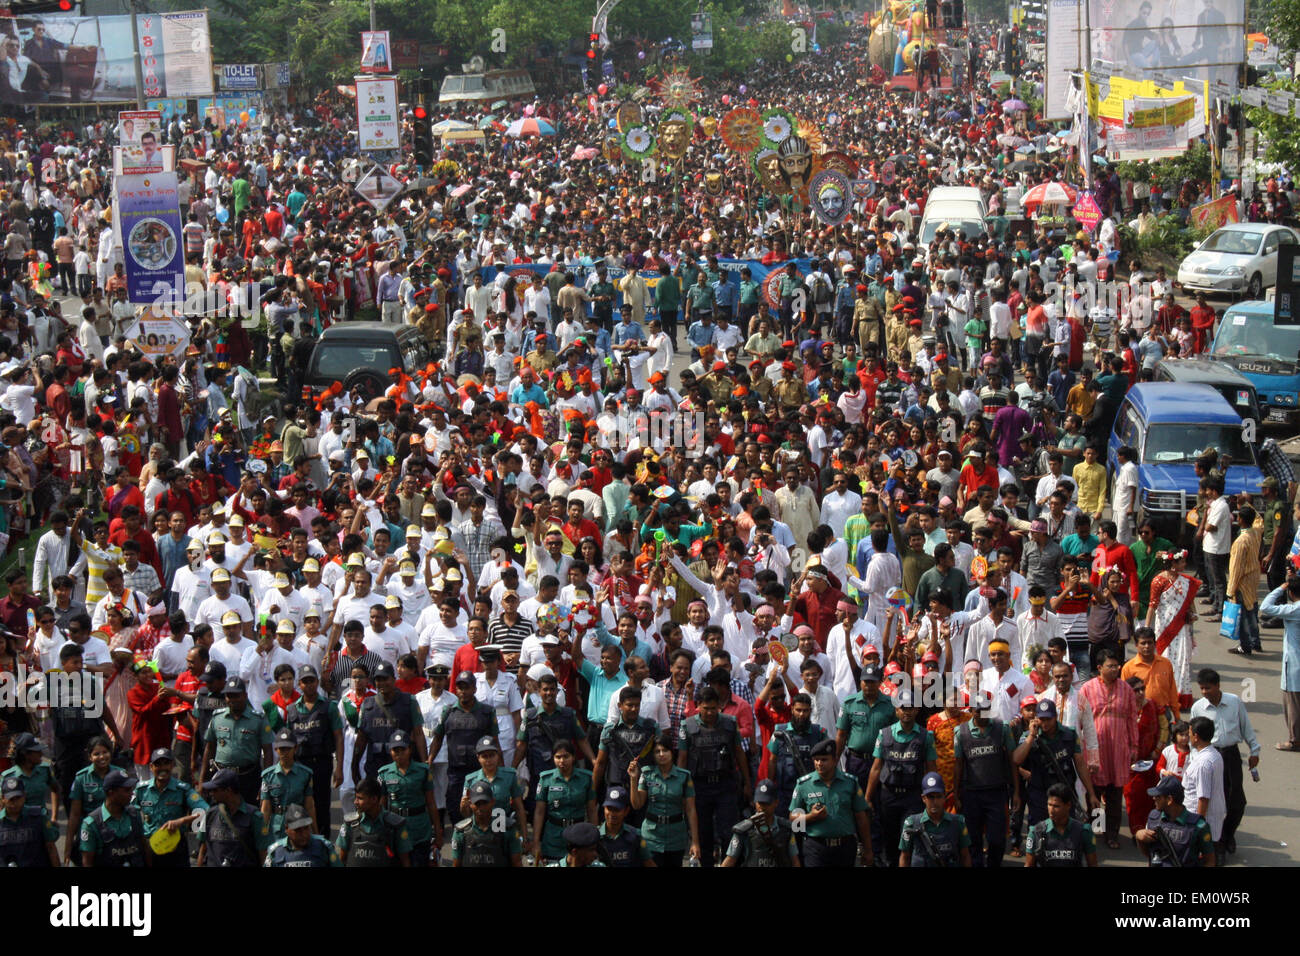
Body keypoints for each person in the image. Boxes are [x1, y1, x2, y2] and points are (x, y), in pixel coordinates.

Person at [677, 685, 749, 866]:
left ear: (719, 706)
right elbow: (682, 758)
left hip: (725, 785)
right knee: (703, 834)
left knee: (729, 832)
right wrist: (680, 788)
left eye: (713, 708)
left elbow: (739, 753)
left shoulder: (730, 724)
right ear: (698, 705)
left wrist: (747, 782)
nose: (709, 712)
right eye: (705, 708)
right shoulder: (687, 726)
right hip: (699, 787)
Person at [1189, 670, 1257, 858]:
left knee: (1237, 803)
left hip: (1231, 755)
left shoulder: (1234, 702)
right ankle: (1215, 843)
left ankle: (1227, 835)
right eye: (1201, 688)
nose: (1204, 692)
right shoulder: (1198, 708)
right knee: (1214, 804)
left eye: (1208, 688)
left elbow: (1246, 727)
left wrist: (1255, 750)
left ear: (1218, 686)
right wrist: (1196, 761)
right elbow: (1192, 739)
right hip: (1209, 756)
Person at [1079, 649, 1139, 849]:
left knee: (1115, 794)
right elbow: (1079, 721)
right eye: (1110, 666)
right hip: (1094, 751)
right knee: (1094, 792)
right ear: (1099, 668)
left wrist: (1133, 746)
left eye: (1116, 666)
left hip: (1118, 750)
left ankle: (1111, 834)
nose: (1115, 669)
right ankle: (1096, 830)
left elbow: (1132, 719)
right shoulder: (1087, 689)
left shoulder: (1126, 690)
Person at [952, 695, 1018, 867]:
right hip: (971, 794)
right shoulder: (960, 732)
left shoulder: (1002, 728)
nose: (982, 714)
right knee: (973, 841)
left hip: (997, 792)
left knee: (997, 839)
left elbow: (1012, 761)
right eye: (978, 710)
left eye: (986, 710)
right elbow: (958, 765)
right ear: (972, 711)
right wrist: (956, 794)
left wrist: (1016, 791)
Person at [789, 737, 873, 868]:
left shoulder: (850, 783)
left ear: (834, 760)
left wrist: (868, 850)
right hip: (816, 848)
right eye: (816, 760)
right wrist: (811, 817)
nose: (819, 763)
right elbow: (793, 820)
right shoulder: (803, 785)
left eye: (824, 759)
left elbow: (861, 818)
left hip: (845, 847)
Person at [630, 732, 700, 867]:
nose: (661, 754)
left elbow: (691, 810)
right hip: (651, 836)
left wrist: (695, 842)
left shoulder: (684, 776)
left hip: (676, 836)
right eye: (657, 751)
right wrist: (633, 779)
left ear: (672, 752)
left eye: (665, 750)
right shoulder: (646, 773)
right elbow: (637, 804)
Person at [375, 729, 441, 867]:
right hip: (395, 827)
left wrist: (438, 831)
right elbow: (381, 805)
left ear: (410, 749)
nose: (398, 753)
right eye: (395, 750)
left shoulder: (423, 771)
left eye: (402, 749)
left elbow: (431, 803)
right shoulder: (384, 773)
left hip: (419, 829)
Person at [132, 748, 206, 868]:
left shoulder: (183, 789)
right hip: (150, 847)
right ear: (151, 767)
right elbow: (129, 812)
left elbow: (205, 811)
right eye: (158, 764)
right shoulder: (141, 790)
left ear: (172, 765)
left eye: (166, 763)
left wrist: (182, 821)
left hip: (176, 848)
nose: (163, 768)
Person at [1145, 549, 1199, 711]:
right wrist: (1147, 629)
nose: (1185, 564)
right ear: (1173, 564)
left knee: (1182, 660)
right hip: (1164, 628)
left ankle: (1180, 695)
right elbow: (1152, 606)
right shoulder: (1158, 581)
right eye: (1181, 561)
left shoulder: (1187, 581)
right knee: (1165, 660)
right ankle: (1163, 695)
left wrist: (1193, 615)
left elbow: (1190, 602)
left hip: (1182, 627)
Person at [531, 740, 596, 864]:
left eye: (566, 756)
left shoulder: (586, 778)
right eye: (558, 757)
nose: (562, 761)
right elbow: (539, 812)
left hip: (578, 836)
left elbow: (592, 810)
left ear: (573, 757)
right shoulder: (546, 779)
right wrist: (535, 841)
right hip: (553, 837)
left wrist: (594, 839)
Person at [1135, 771, 1215, 867]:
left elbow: (1210, 861)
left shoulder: (1199, 825)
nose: (1153, 798)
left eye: (1158, 796)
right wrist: (1139, 837)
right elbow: (1150, 855)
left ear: (1169, 800)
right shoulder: (1154, 817)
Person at [196, 768, 271, 867]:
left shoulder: (254, 817)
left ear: (228, 790)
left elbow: (263, 854)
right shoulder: (210, 814)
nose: (211, 794)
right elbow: (203, 850)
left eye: (215, 790)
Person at [899, 770, 972, 867]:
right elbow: (905, 857)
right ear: (923, 798)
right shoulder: (911, 823)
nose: (935, 801)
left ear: (944, 797)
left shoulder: (958, 822)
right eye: (930, 797)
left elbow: (965, 856)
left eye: (938, 796)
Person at [1260, 576, 1300, 751]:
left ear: (1291, 593)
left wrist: (1281, 587)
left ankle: (1294, 741)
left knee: (1293, 707)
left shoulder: (1294, 609)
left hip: (1294, 665)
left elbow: (1265, 606)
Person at [721, 778, 800, 867]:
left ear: (776, 803)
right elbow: (729, 860)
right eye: (760, 803)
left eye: (766, 803)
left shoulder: (786, 829)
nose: (762, 807)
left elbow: (795, 861)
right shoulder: (744, 830)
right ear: (755, 802)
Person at [337, 777, 411, 867]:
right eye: (356, 798)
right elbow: (341, 859)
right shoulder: (350, 824)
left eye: (360, 798)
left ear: (374, 799)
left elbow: (405, 860)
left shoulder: (395, 825)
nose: (355, 802)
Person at [452, 779, 523, 867]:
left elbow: (517, 863)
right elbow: (456, 864)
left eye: (485, 803)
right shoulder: (461, 832)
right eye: (477, 803)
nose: (481, 808)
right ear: (470, 804)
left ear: (493, 802)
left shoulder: (508, 829)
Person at [1023, 782, 1097, 867]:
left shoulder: (1084, 832)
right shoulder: (1036, 832)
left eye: (1056, 806)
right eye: (1049, 805)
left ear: (1068, 805)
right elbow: (1028, 864)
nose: (1051, 810)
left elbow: (1093, 864)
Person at [0, 776, 59, 867]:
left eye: (18, 798)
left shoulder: (38, 816)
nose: (15, 803)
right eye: (11, 799)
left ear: (24, 795)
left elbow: (50, 847)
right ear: (3, 798)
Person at [265, 804, 342, 867]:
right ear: (286, 829)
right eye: (297, 830)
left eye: (306, 828)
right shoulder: (275, 852)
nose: (303, 834)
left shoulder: (324, 847)